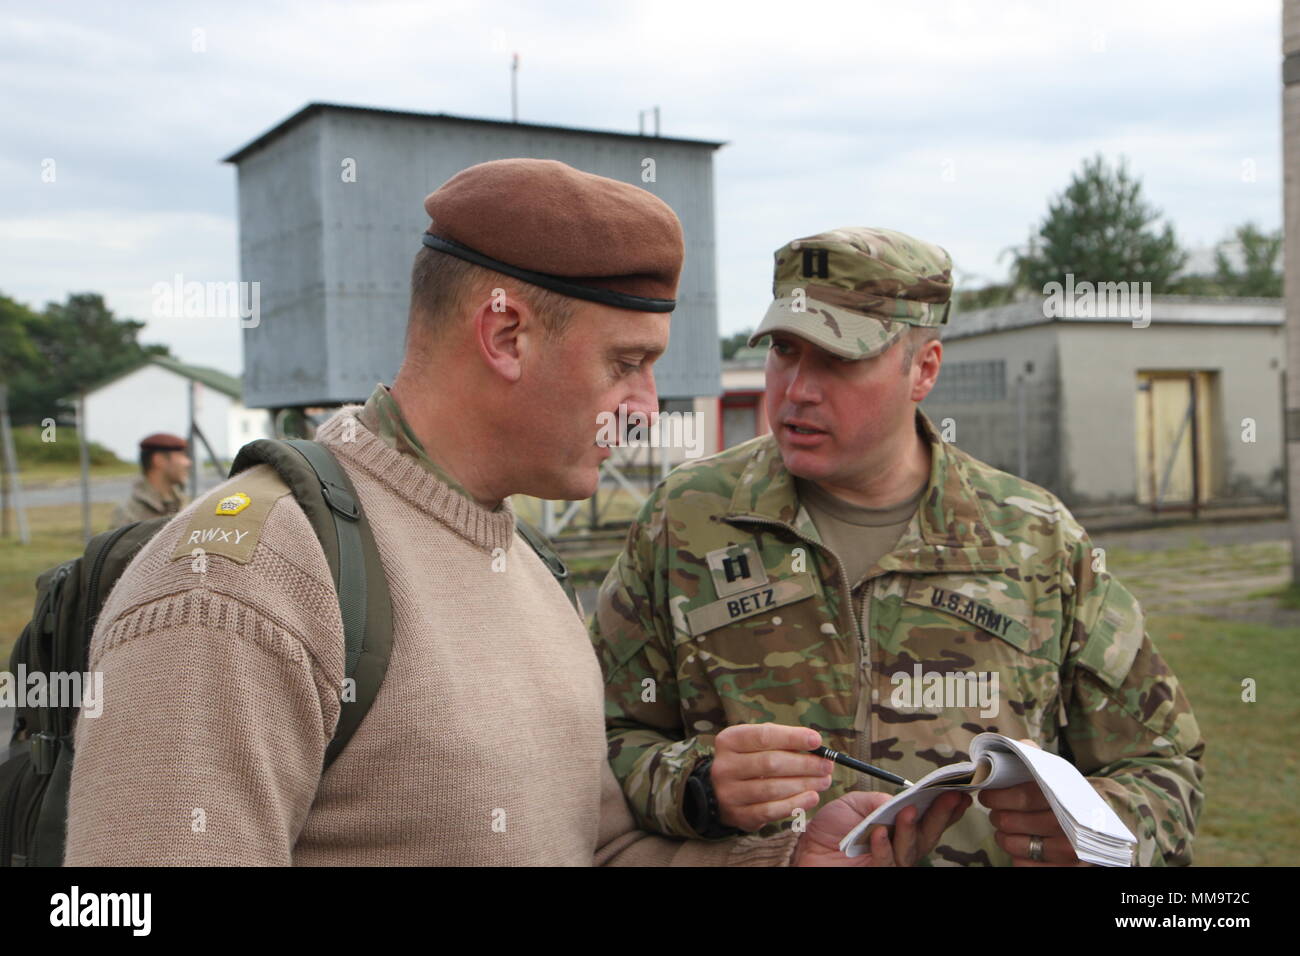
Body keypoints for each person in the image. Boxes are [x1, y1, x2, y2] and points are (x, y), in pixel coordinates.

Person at [65, 165, 968, 866]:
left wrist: (788, 856)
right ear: (505, 336)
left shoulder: (528, 571)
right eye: (625, 362)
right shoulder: (244, 579)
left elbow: (598, 850)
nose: (647, 407)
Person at [590, 226, 1206, 866]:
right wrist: (696, 787)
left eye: (839, 360)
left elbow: (1162, 762)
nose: (797, 388)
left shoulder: (1035, 538)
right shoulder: (689, 518)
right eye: (784, 350)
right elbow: (594, 739)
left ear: (925, 369)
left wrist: (1100, 831)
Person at [108, 432, 191, 528]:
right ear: (159, 460)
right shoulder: (128, 514)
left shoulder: (181, 504)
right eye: (181, 455)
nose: (188, 463)